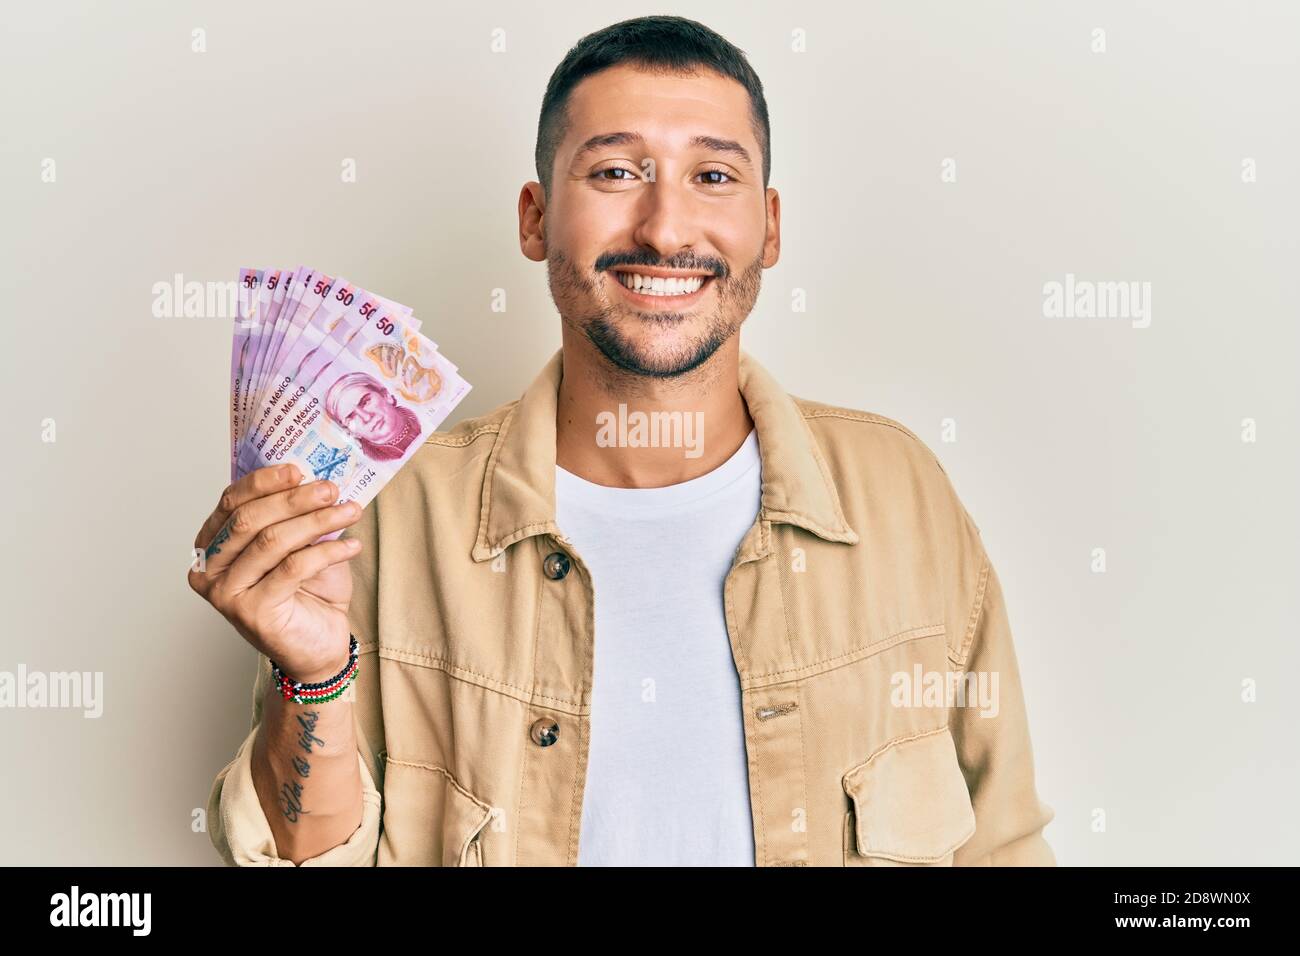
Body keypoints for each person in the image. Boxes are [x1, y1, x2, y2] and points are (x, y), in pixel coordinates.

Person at [190, 14, 1055, 867]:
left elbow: (1004, 842)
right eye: (614, 171)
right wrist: (312, 680)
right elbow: (301, 860)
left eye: (714, 175)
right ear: (535, 219)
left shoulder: (901, 493)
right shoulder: (388, 520)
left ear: (772, 225)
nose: (666, 229)